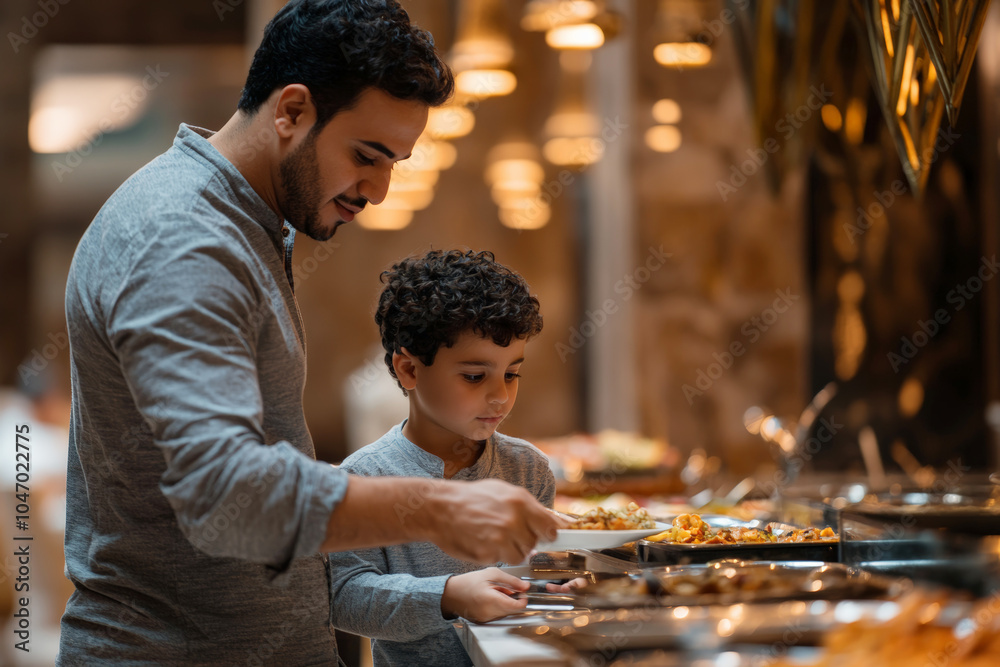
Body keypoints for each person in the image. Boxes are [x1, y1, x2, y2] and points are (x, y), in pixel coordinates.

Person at [58, 2, 560, 665]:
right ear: (291, 111)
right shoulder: (184, 241)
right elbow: (227, 495)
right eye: (366, 155)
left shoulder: (244, 223)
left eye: (395, 163)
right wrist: (436, 508)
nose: (378, 190)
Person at [328, 249, 555, 666]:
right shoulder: (362, 477)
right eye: (474, 376)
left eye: (512, 373)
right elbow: (344, 598)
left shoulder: (529, 469)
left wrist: (555, 585)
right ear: (409, 370)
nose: (500, 395)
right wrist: (449, 596)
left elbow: (532, 579)